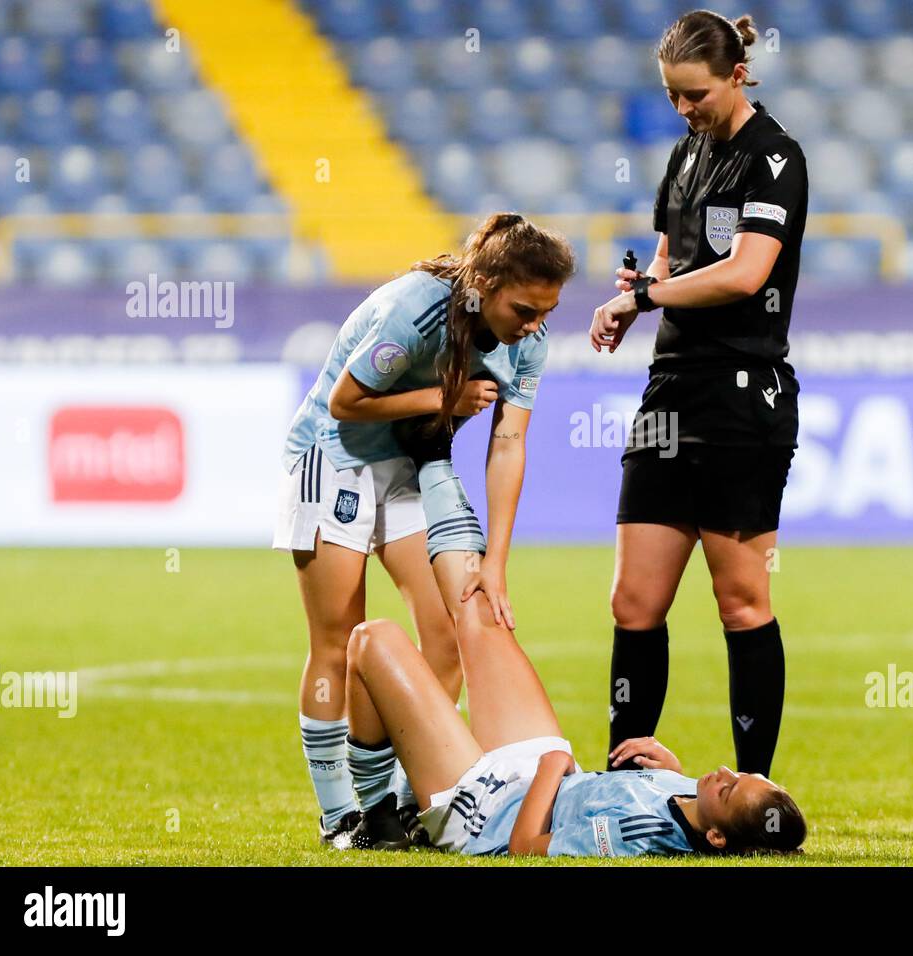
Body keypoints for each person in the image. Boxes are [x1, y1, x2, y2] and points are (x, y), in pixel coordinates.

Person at [273, 212, 575, 842]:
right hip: (333, 456)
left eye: (546, 311)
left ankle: (406, 801)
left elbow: (508, 446)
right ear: (486, 283)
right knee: (337, 638)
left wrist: (495, 563)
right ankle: (341, 814)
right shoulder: (417, 309)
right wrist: (443, 398)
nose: (534, 325)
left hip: (406, 464)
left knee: (445, 633)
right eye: (524, 308)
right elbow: (343, 401)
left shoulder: (529, 342)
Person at [337, 452, 806, 857]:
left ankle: (377, 821)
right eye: (741, 772)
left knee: (372, 640)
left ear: (718, 838)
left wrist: (554, 765)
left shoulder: (636, 836)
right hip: (541, 773)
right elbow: (667, 804)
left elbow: (525, 847)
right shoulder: (694, 802)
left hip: (486, 808)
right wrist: (670, 775)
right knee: (477, 604)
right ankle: (432, 455)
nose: (723, 772)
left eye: (727, 788)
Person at [587, 11, 809, 777]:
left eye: (696, 94)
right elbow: (668, 258)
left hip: (742, 398)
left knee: (741, 602)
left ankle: (752, 786)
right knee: (632, 604)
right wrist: (635, 297)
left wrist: (649, 296)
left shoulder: (774, 159)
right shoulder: (685, 156)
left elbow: (747, 273)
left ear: (738, 75)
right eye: (674, 97)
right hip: (669, 394)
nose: (684, 110)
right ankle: (625, 778)